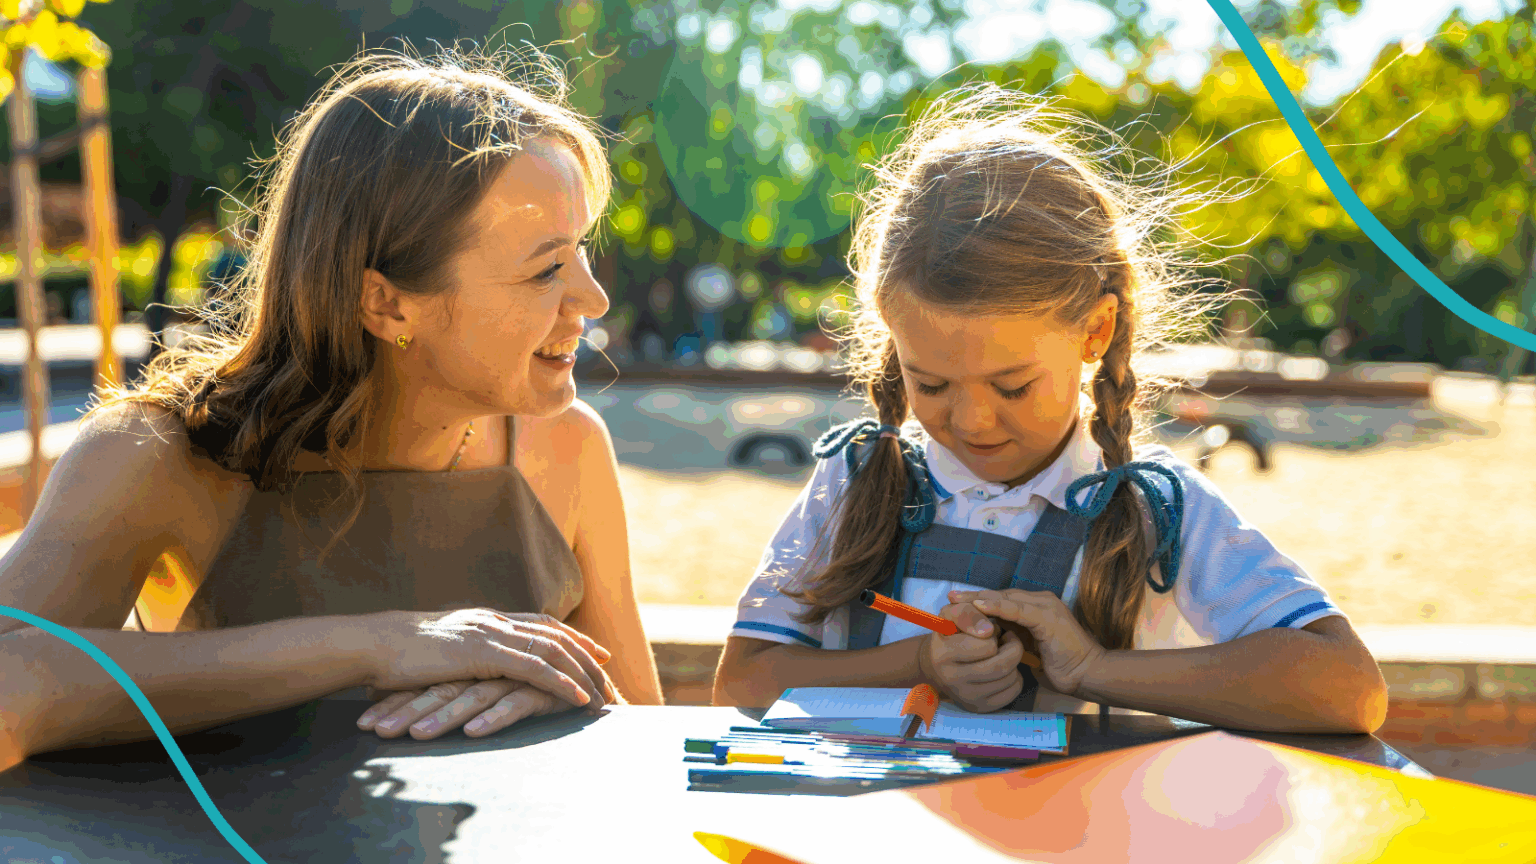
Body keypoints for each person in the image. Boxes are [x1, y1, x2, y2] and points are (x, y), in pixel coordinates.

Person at [0, 45, 663, 773]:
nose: (595, 300)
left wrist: (567, 700)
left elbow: (645, 754)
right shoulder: (156, 453)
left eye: (582, 251)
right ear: (385, 301)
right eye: (546, 268)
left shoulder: (567, 449)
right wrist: (377, 646)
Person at [713, 86, 1388, 734]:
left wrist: (1095, 669)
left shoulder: (1156, 506)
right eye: (933, 384)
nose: (972, 422)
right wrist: (918, 665)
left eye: (1012, 387)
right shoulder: (856, 481)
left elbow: (1347, 689)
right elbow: (743, 681)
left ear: (1094, 332)